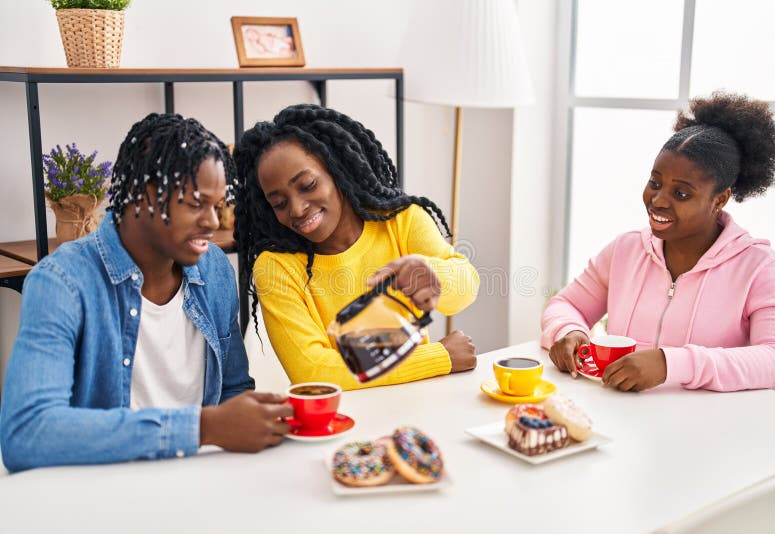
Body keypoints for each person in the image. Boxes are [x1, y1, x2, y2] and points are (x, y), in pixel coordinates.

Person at [0, 113, 292, 473]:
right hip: (99, 497)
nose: (213, 222)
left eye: (217, 206)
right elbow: (26, 433)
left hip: (199, 484)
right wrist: (204, 427)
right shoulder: (62, 282)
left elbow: (233, 388)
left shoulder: (213, 269)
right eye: (196, 203)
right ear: (142, 196)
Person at [542, 92, 775, 393]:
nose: (658, 200)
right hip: (620, 423)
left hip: (713, 434)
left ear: (720, 199)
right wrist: (570, 332)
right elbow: (567, 304)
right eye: (655, 183)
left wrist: (670, 364)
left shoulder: (761, 268)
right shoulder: (626, 250)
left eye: (681, 194)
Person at [234, 104, 479, 390]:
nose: (297, 209)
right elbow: (313, 372)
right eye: (279, 203)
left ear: (337, 169)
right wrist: (440, 356)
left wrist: (432, 276)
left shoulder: (401, 222)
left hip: (417, 401)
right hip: (343, 421)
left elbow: (466, 288)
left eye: (307, 184)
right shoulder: (276, 266)